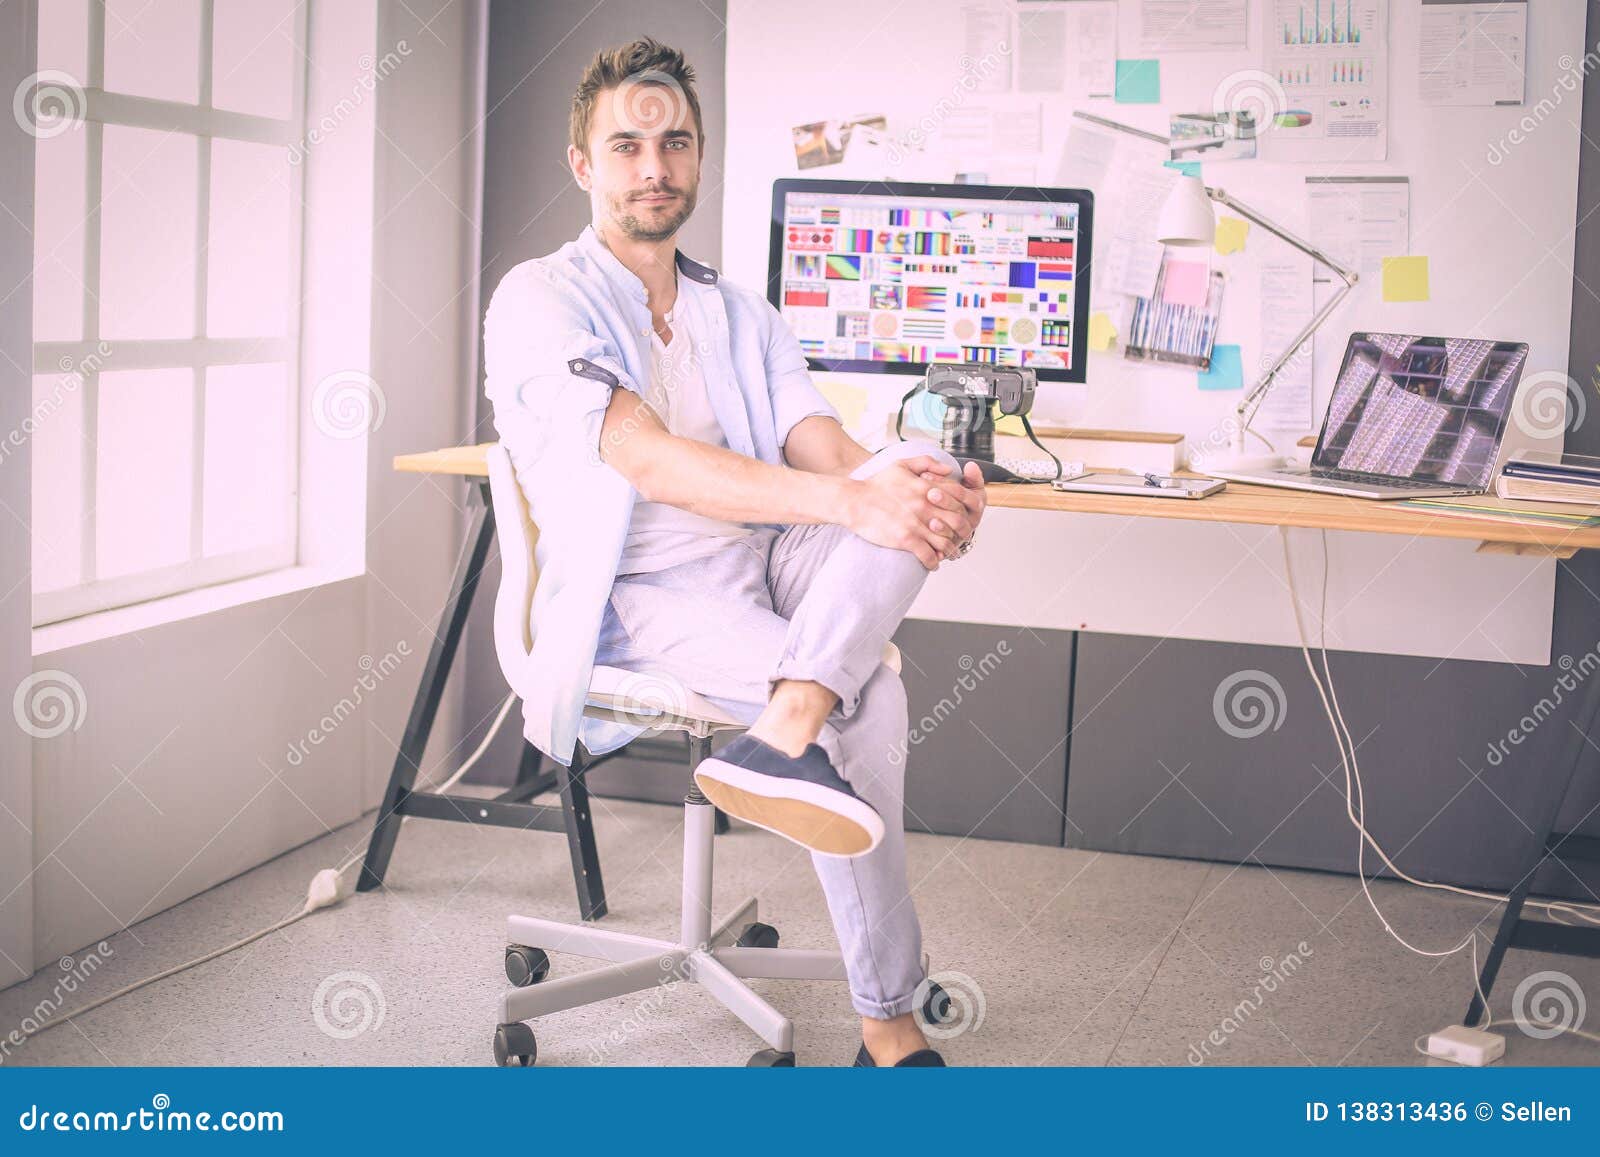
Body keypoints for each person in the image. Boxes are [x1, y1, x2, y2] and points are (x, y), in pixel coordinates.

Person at [481, 37, 987, 1067]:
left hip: (763, 565)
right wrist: (857, 500)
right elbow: (650, 461)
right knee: (870, 701)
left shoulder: (739, 312)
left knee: (922, 458)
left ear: (700, 156)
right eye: (626, 147)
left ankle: (785, 721)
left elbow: (826, 447)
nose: (653, 168)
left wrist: (919, 499)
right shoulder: (540, 298)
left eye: (674, 143)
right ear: (582, 164)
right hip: (639, 593)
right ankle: (888, 1021)